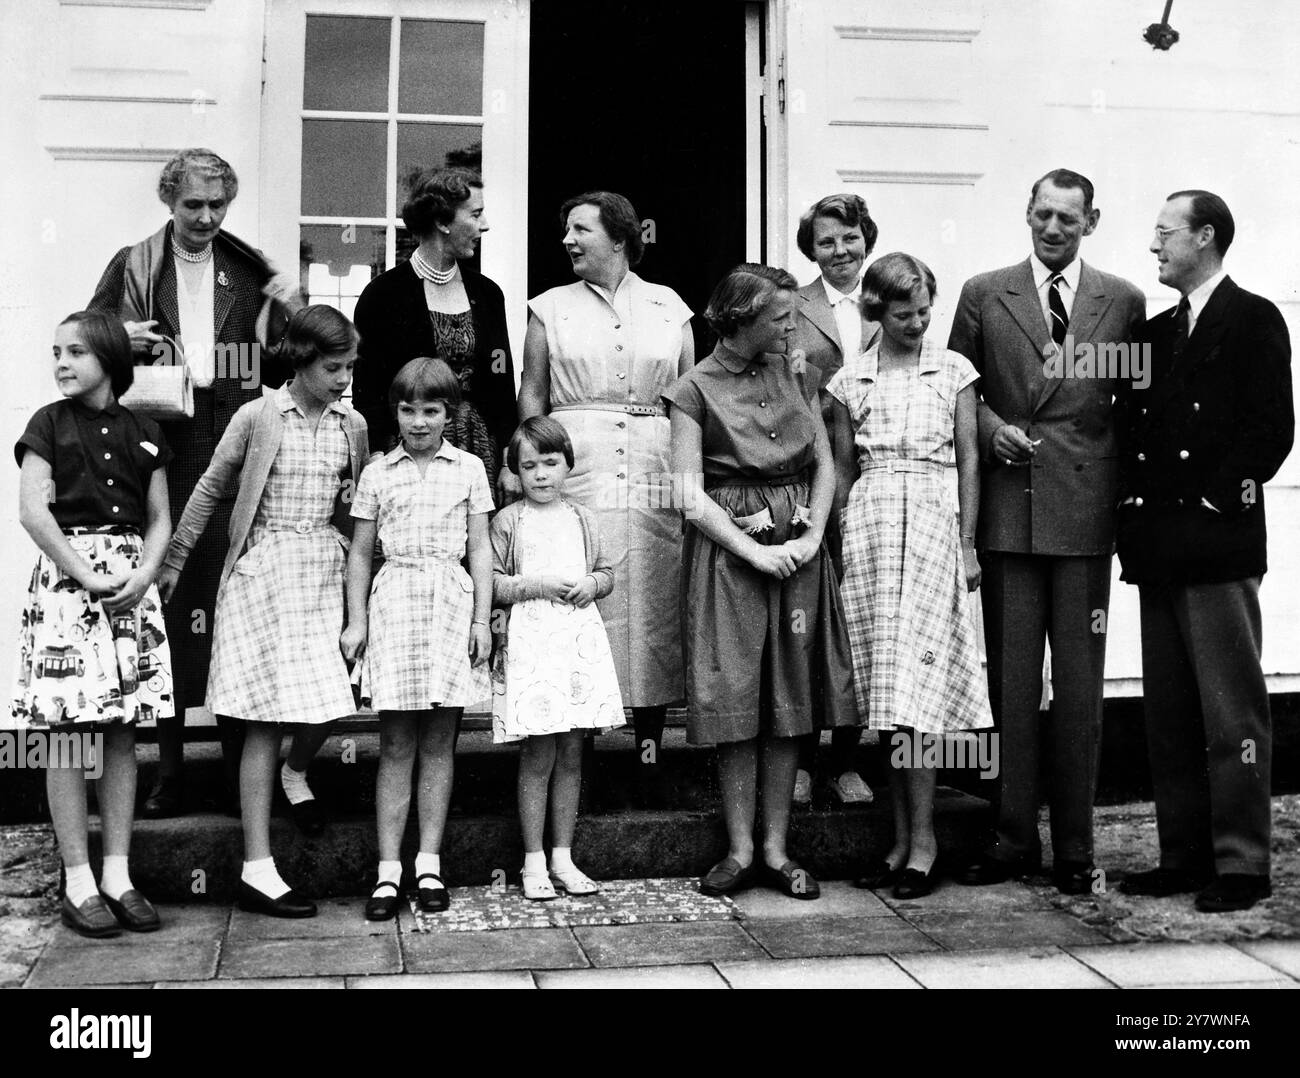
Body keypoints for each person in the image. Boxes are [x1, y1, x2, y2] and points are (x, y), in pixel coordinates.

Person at [948, 168, 1145, 895]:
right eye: (1042, 215)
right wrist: (995, 428)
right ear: (1026, 215)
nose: (1053, 229)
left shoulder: (1121, 300)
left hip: (1086, 517)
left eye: (1067, 218)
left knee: (1082, 690)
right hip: (1008, 512)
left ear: (1091, 221)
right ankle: (1010, 837)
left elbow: (1134, 410)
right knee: (1012, 682)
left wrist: (1129, 512)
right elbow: (958, 392)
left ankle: (1075, 847)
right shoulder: (982, 292)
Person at [88, 147, 298, 819]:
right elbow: (84, 341)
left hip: (236, 449)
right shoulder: (134, 264)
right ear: (168, 201)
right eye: (193, 205)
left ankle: (244, 772)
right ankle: (171, 770)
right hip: (163, 453)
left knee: (235, 601)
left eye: (218, 205)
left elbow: (284, 361)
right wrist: (122, 334)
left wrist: (289, 308)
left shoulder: (245, 269)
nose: (207, 218)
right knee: (171, 608)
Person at [158, 306, 369, 918]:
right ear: (300, 362)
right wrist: (174, 560)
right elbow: (210, 487)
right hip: (263, 573)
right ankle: (258, 866)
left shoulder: (350, 425)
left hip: (323, 571)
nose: (344, 378)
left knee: (335, 696)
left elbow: (358, 509)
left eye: (350, 366)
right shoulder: (257, 415)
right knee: (264, 720)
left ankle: (296, 773)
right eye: (334, 367)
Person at [1116, 191, 1293, 913]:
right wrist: (1132, 510)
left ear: (1206, 237)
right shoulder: (1154, 335)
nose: (1154, 248)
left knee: (1231, 714)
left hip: (1216, 543)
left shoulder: (1254, 319)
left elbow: (1271, 430)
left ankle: (1243, 864)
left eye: (1165, 235)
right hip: (1159, 547)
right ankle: (1182, 856)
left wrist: (1217, 498)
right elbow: (1129, 431)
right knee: (1170, 715)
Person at [663, 263, 858, 900]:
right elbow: (689, 496)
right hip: (731, 562)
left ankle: (777, 849)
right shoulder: (692, 389)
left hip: (799, 554)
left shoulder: (796, 370)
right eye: (780, 316)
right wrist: (752, 550)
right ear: (742, 319)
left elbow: (825, 464)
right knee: (739, 705)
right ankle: (740, 849)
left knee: (789, 704)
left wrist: (809, 538)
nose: (793, 324)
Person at [517, 191, 693, 806]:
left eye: (580, 230)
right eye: (566, 230)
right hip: (579, 467)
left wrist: (690, 476)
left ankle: (650, 752)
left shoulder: (669, 306)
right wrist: (529, 474)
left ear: (618, 240)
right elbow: (532, 398)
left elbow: (688, 401)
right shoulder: (549, 308)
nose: (567, 240)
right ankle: (578, 756)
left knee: (651, 599)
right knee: (580, 597)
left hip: (653, 467)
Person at [826, 254, 991, 900]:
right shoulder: (851, 379)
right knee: (890, 700)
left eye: (925, 310)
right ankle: (900, 842)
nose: (918, 322)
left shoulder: (953, 371)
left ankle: (924, 844)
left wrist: (968, 544)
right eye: (904, 313)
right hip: (871, 529)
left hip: (930, 525)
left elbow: (971, 461)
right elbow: (842, 469)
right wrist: (842, 543)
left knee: (919, 696)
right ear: (875, 310)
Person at [12, 311, 173, 936]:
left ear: (110, 358)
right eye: (56, 351)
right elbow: (33, 512)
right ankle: (77, 880)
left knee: (122, 733)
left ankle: (117, 874)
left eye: (75, 351)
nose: (61, 362)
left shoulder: (146, 429)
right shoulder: (46, 425)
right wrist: (84, 572)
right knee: (66, 736)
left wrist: (144, 573)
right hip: (69, 586)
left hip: (130, 587)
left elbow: (159, 516)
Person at [341, 358, 494, 920]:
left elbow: (480, 550)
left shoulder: (470, 468)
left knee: (439, 743)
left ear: (450, 414)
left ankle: (428, 863)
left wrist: (482, 620)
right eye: (408, 410)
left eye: (431, 410)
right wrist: (356, 621)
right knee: (397, 743)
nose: (419, 422)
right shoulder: (379, 472)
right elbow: (360, 552)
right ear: (395, 412)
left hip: (451, 605)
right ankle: (388, 873)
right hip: (396, 603)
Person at [490, 417, 624, 900]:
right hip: (531, 645)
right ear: (516, 472)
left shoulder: (583, 519)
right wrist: (540, 586)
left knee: (572, 751)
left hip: (576, 644)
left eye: (551, 463)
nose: (541, 475)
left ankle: (563, 856)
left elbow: (606, 571)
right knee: (538, 751)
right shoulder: (509, 521)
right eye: (529, 466)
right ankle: (532, 861)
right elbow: (495, 582)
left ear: (568, 465)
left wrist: (593, 584)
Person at [788, 193, 883, 807]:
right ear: (811, 250)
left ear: (865, 239)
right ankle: (799, 761)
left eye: (849, 239)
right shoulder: (794, 308)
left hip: (876, 476)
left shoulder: (891, 299)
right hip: (813, 474)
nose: (840, 251)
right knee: (805, 620)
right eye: (827, 242)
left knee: (856, 620)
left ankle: (847, 758)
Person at [351, 168, 516, 494]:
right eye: (476, 214)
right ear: (442, 222)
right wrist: (374, 455)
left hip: (480, 451)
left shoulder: (488, 295)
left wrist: (510, 460)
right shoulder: (382, 296)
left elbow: (502, 381)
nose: (485, 225)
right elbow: (367, 388)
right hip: (410, 450)